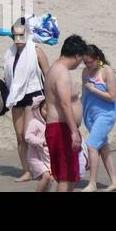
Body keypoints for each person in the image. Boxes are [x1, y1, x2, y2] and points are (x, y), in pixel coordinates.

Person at [5, 18, 51, 182]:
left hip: (33, 94)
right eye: (15, 36)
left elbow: (49, 75)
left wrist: (51, 99)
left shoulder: (36, 51)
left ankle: (44, 168)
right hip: (17, 96)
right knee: (19, 136)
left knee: (30, 134)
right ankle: (26, 171)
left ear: (27, 34)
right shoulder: (9, 53)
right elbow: (9, 79)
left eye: (21, 35)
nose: (18, 39)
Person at [42, 34, 87, 192]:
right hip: (62, 129)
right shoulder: (61, 72)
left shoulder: (54, 69)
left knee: (68, 176)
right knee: (67, 178)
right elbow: (64, 103)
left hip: (58, 128)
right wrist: (74, 132)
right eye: (80, 60)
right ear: (76, 56)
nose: (79, 64)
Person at [80, 44, 116, 191]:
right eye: (85, 62)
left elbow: (111, 97)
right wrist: (79, 113)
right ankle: (115, 182)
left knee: (91, 146)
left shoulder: (107, 71)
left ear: (97, 59)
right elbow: (83, 95)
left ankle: (92, 184)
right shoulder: (85, 72)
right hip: (90, 116)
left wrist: (93, 89)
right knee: (103, 148)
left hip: (106, 115)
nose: (88, 65)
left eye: (90, 62)